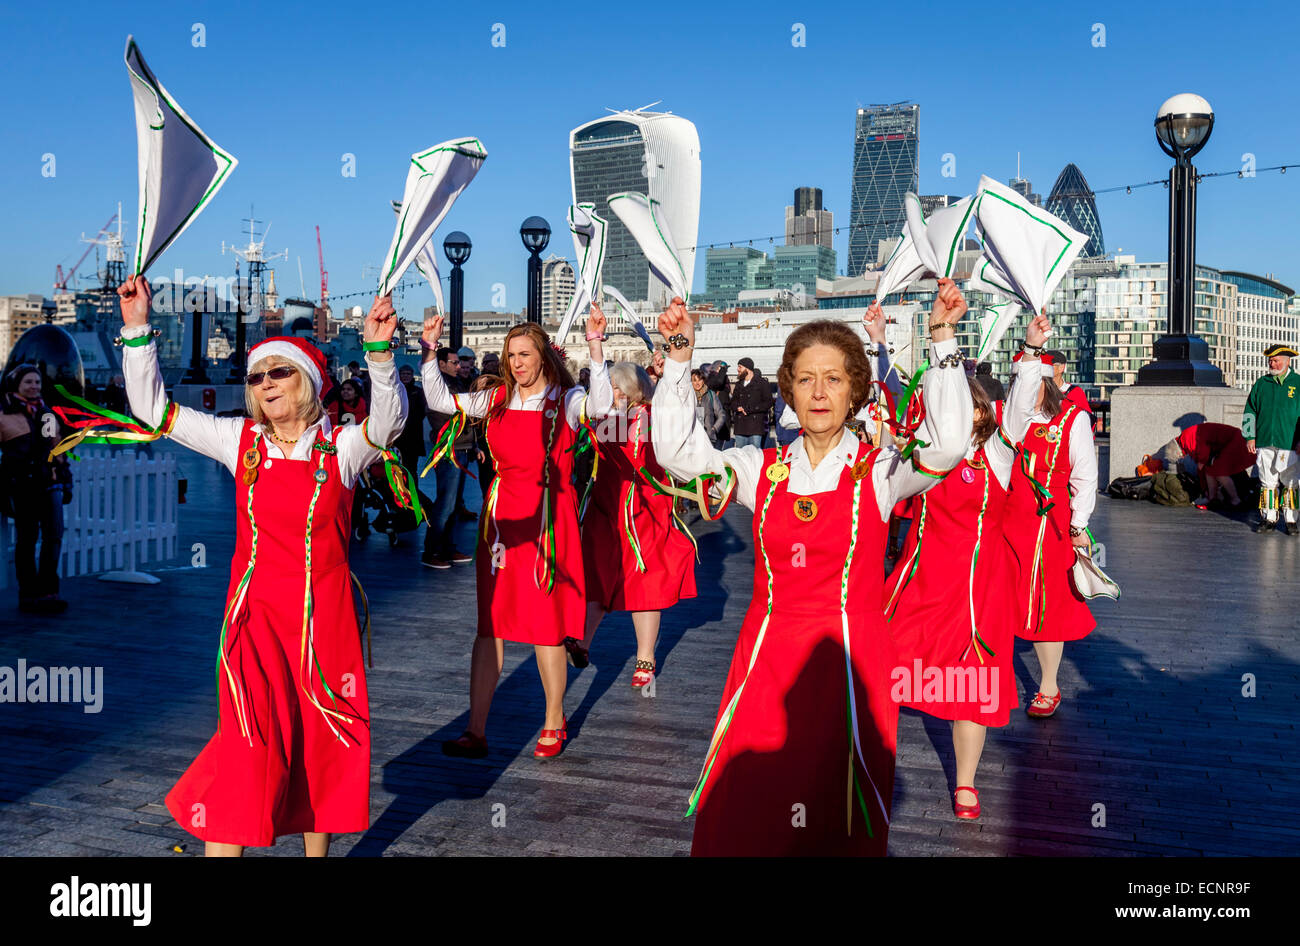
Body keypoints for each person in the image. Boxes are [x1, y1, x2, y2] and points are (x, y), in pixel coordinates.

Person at [652, 282, 972, 856]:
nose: (819, 392)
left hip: (853, 659)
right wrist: (679, 356)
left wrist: (943, 337)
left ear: (855, 391)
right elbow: (678, 456)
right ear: (789, 394)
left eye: (833, 379)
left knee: (835, 800)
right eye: (805, 379)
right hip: (767, 655)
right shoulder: (760, 468)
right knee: (752, 793)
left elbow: (948, 444)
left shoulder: (881, 472)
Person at [118, 275, 406, 856]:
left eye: (280, 371)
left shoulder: (344, 448)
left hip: (322, 623)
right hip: (252, 621)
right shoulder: (237, 439)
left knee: (318, 741)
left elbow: (390, 424)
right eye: (256, 375)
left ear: (309, 382)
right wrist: (136, 328)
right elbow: (153, 412)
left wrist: (379, 354)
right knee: (246, 740)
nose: (266, 384)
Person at [424, 306, 611, 759]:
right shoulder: (496, 399)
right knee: (491, 623)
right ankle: (476, 729)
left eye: (524, 355)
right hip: (503, 520)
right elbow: (439, 400)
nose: (516, 364)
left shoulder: (566, 401)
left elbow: (603, 409)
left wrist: (596, 346)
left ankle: (552, 720)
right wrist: (429, 350)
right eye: (511, 356)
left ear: (544, 357)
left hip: (548, 517)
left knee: (546, 627)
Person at [882, 319, 1046, 820]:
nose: (962, 412)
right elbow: (892, 393)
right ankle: (864, 763)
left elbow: (1019, 410)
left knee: (971, 684)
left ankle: (967, 783)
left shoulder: (995, 454)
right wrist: (878, 345)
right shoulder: (921, 454)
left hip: (979, 590)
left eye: (971, 405)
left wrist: (1031, 351)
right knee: (881, 667)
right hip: (919, 581)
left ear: (982, 412)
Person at [567, 362, 697, 686]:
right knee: (599, 576)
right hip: (606, 509)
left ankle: (645, 657)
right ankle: (582, 643)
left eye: (613, 386)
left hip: (645, 511)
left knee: (645, 583)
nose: (607, 392)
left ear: (629, 390)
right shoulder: (605, 418)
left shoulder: (654, 419)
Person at [1002, 335, 1098, 719]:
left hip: (1049, 524)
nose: (1019, 391)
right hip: (1007, 520)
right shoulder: (1009, 418)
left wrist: (1079, 524)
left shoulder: (1074, 419)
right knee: (1002, 597)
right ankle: (995, 676)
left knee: (1048, 604)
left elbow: (1085, 477)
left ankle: (1048, 685)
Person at [0, 365, 72, 614]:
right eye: (28, 382)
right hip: (22, 486)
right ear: (16, 384)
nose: (34, 386)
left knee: (54, 538)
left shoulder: (46, 414)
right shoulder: (4, 414)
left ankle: (49, 592)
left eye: (37, 382)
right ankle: (29, 594)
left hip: (50, 484)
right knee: (27, 541)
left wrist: (65, 478)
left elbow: (58, 448)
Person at [422, 347, 475, 568]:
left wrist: (474, 444)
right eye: (453, 362)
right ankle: (431, 551)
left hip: (461, 448)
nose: (458, 366)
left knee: (452, 504)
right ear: (441, 364)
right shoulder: (440, 385)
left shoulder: (458, 383)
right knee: (445, 503)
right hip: (449, 450)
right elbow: (442, 415)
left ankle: (447, 548)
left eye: (459, 362)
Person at [1244, 343, 1300, 534]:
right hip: (1265, 441)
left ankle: (1292, 520)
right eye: (1270, 361)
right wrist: (1250, 436)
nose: (1272, 364)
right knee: (1267, 482)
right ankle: (1268, 518)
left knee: (1291, 483)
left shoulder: (1298, 383)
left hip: (1290, 443)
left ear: (1287, 361)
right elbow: (1250, 410)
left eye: (1276, 360)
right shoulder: (1262, 383)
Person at [1156, 421, 1252, 509]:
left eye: (1179, 458)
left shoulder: (1188, 442)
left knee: (1218, 472)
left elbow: (1203, 463)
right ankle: (1215, 498)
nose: (1182, 458)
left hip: (1235, 441)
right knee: (1212, 471)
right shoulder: (1185, 439)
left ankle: (1235, 500)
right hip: (1233, 439)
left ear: (1178, 453)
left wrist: (1204, 490)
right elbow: (1202, 465)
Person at [729, 356, 772, 450]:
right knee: (740, 455)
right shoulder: (738, 384)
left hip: (755, 427)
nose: (738, 369)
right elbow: (732, 402)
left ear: (747, 368)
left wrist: (750, 408)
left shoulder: (762, 383)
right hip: (740, 427)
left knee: (755, 455)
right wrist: (737, 407)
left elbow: (768, 402)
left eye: (740, 367)